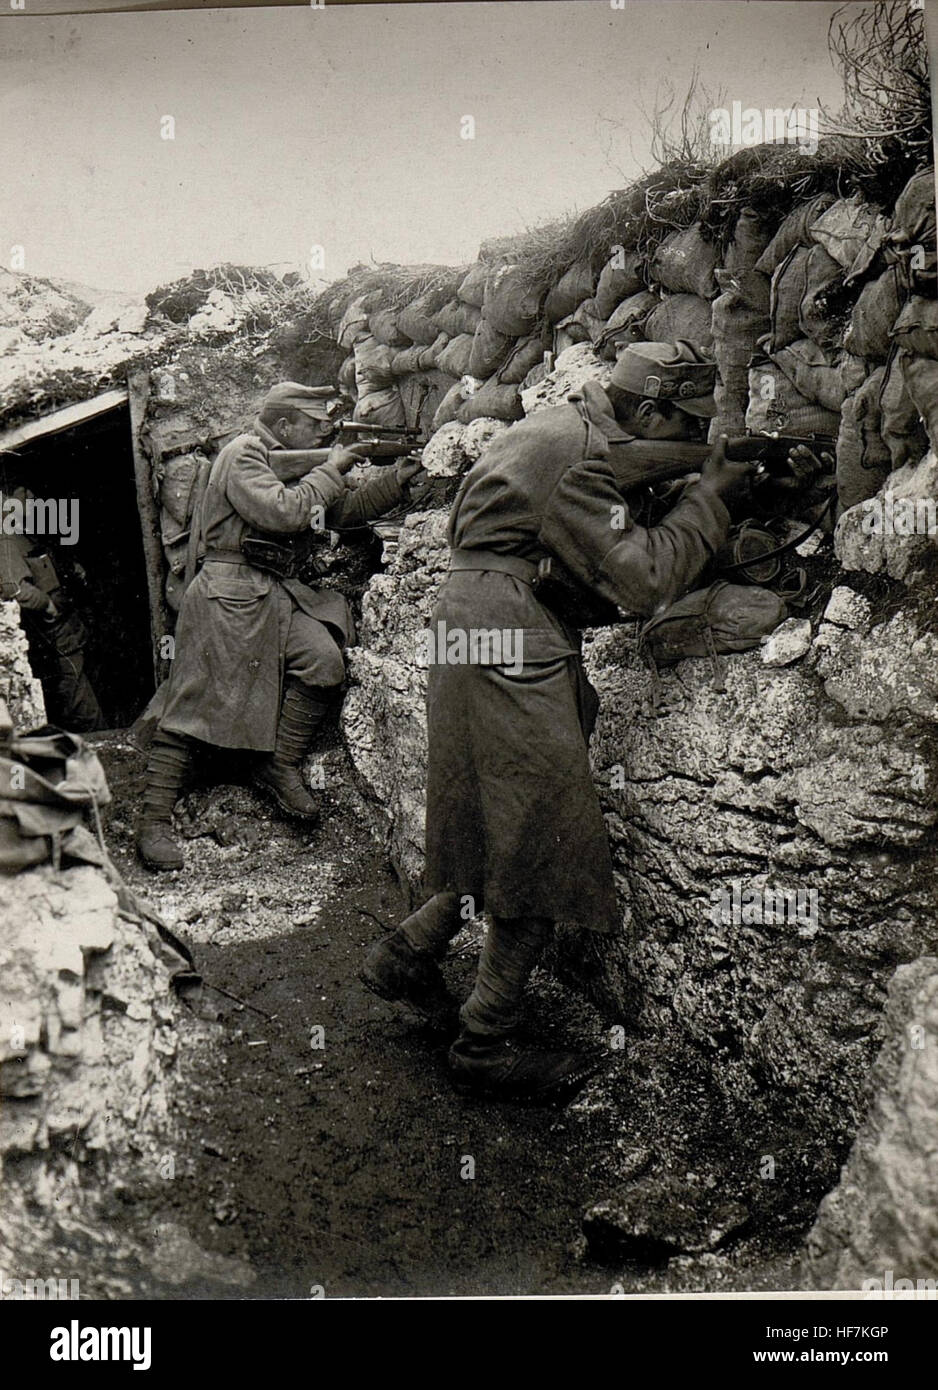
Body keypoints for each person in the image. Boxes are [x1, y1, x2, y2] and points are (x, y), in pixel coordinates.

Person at [361, 342, 758, 1102]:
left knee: (496, 816)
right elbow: (644, 579)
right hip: (510, 628)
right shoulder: (583, 458)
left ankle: (406, 954)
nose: (695, 435)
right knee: (546, 831)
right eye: (687, 422)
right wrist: (712, 496)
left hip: (478, 617)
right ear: (648, 411)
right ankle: (485, 1040)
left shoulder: (559, 424)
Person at [137, 382, 423, 870]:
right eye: (314, 425)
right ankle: (154, 821)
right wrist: (334, 466)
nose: (324, 431)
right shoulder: (243, 453)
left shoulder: (295, 465)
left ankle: (278, 763)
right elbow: (284, 512)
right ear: (285, 424)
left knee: (324, 662)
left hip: (274, 590)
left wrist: (396, 478)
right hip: (227, 590)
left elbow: (341, 512)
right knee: (193, 702)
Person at [0, 491, 105, 733]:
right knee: (79, 702)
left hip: (70, 629)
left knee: (79, 692)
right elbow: (14, 588)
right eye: (25, 494)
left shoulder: (28, 532)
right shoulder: (7, 538)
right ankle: (99, 748)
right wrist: (47, 605)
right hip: (54, 635)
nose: (34, 499)